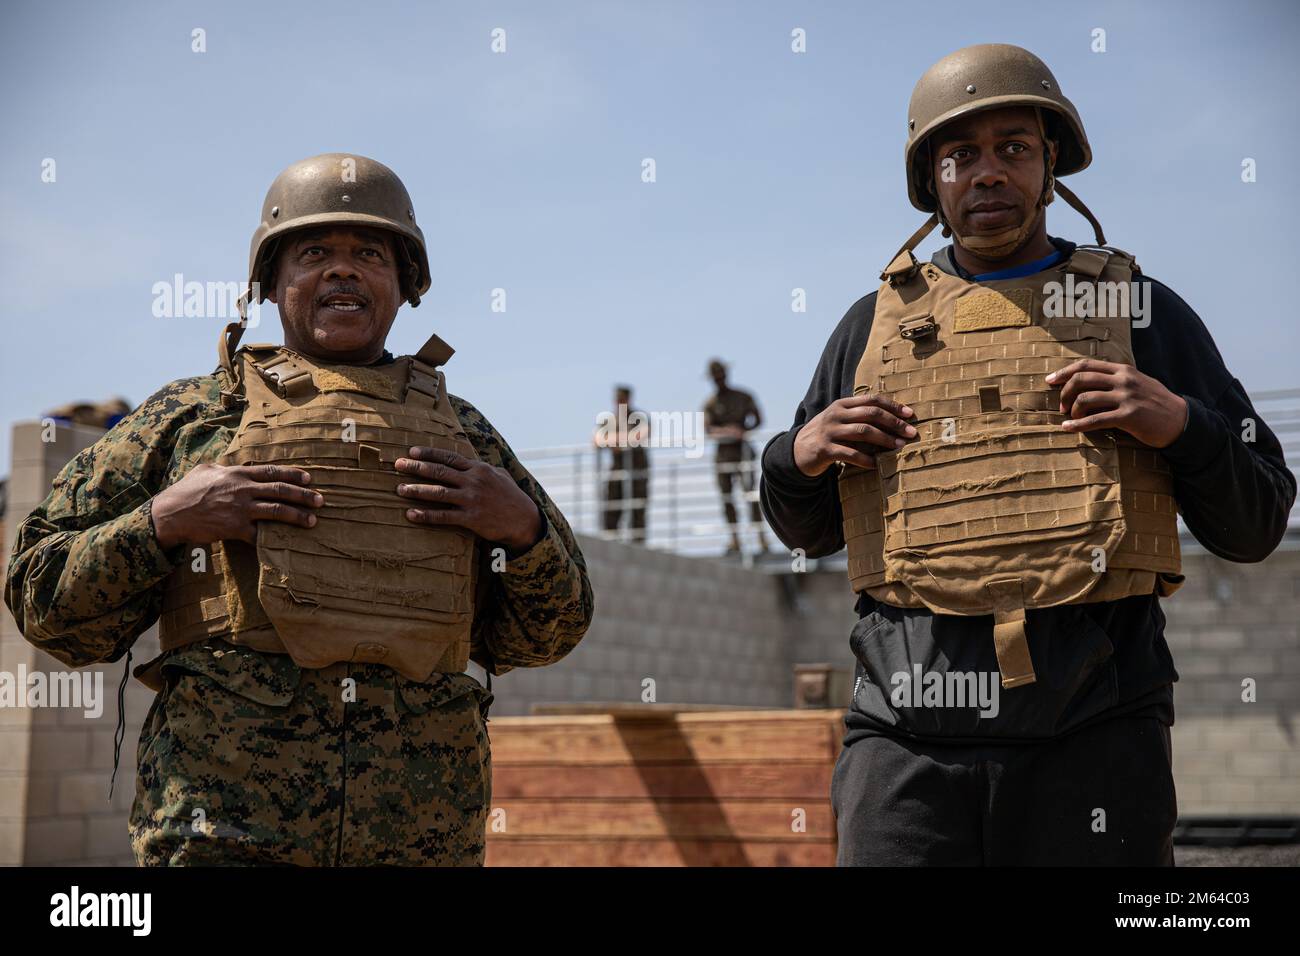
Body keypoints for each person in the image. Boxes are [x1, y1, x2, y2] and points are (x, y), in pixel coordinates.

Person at [760, 45, 1295, 865]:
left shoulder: (1137, 313)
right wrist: (792, 459)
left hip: (1095, 741)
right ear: (930, 182)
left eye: (1014, 147)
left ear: (1051, 168)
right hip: (905, 745)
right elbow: (809, 533)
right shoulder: (871, 328)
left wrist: (1182, 423)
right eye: (960, 154)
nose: (987, 173)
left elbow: (1256, 522)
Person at [4, 153, 595, 866]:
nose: (342, 271)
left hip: (418, 839)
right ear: (271, 282)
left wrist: (521, 531)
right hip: (225, 834)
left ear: (406, 285)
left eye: (369, 254)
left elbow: (546, 637)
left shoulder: (464, 436)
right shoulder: (193, 417)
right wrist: (162, 522)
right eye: (314, 252)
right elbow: (43, 601)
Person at [703, 359, 769, 555]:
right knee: (726, 497)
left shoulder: (743, 396)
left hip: (743, 451)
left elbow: (758, 419)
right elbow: (707, 429)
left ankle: (761, 538)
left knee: (750, 495)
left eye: (721, 375)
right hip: (723, 455)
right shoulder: (710, 403)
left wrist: (742, 430)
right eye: (716, 377)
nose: (719, 380)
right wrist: (726, 432)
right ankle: (735, 539)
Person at [593, 384, 650, 544]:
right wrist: (624, 440)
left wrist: (614, 441)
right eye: (618, 399)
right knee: (612, 506)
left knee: (637, 507)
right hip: (617, 469)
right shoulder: (609, 420)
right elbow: (597, 440)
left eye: (622, 399)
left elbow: (641, 435)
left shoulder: (639, 417)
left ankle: (638, 542)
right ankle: (610, 540)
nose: (620, 402)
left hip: (637, 470)